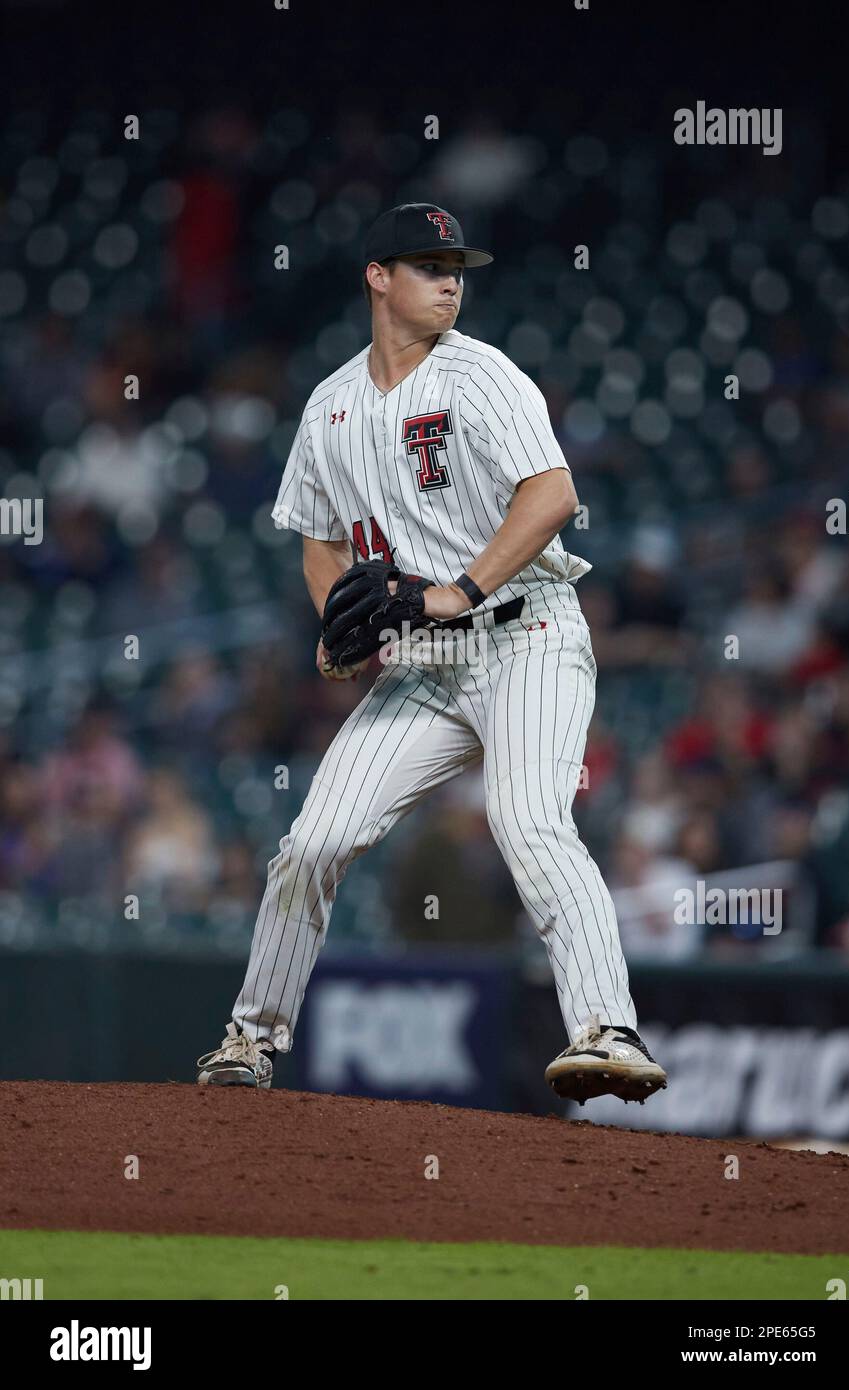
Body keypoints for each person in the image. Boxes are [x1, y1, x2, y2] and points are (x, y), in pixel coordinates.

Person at [196, 203, 667, 1106]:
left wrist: (462, 588)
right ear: (378, 277)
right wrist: (339, 625)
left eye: (457, 265)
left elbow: (553, 495)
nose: (451, 280)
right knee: (314, 840)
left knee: (529, 821)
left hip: (528, 629)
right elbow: (319, 541)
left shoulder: (480, 374)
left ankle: (607, 1027)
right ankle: (248, 1041)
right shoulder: (330, 404)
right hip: (422, 662)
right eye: (428, 264)